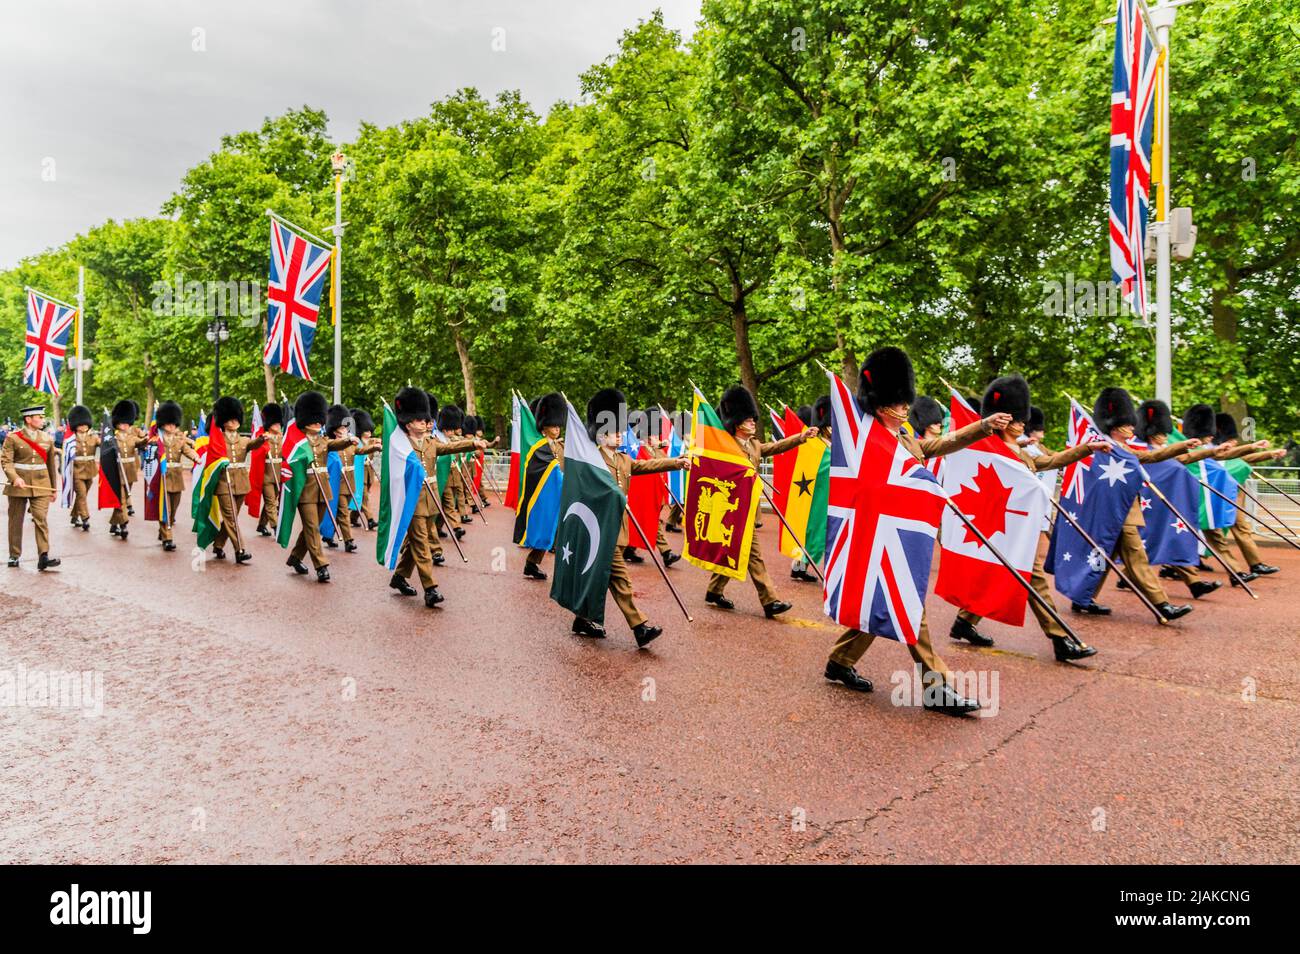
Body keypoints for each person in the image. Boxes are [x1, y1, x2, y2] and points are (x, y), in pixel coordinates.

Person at [823, 347, 1011, 715]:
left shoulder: (904, 436)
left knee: (884, 604)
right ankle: (936, 687)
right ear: (881, 404)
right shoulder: (868, 439)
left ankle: (840, 660)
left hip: (899, 532)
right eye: (898, 401)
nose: (905, 407)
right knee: (905, 604)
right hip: (875, 533)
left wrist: (982, 427)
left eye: (904, 400)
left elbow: (936, 446)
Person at [947, 375, 1109, 662]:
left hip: (1013, 526)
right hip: (999, 525)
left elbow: (1052, 461)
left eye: (1022, 420)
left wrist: (1087, 448)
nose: (1022, 424)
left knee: (999, 573)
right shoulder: (990, 450)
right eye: (1018, 420)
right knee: (1033, 578)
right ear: (1004, 422)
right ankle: (1061, 638)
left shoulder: (1021, 452)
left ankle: (964, 622)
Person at [571, 388, 688, 648]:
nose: (621, 434)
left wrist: (675, 463)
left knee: (599, 578)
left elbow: (644, 466)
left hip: (617, 528)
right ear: (602, 433)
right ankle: (639, 627)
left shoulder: (623, 459)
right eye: (616, 430)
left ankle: (581, 619)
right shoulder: (592, 458)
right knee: (621, 578)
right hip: (600, 530)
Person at [1078, 388, 1194, 621]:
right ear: (1115, 425)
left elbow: (1150, 457)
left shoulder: (1124, 448)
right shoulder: (1102, 446)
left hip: (1126, 512)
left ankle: (1082, 598)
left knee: (1107, 557)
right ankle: (1162, 605)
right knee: (1131, 558)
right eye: (1128, 424)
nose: (1133, 427)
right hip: (1113, 512)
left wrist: (1182, 445)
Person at [703, 384, 816, 619]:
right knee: (753, 556)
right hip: (731, 510)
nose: (754, 422)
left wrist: (800, 438)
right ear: (736, 421)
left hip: (748, 510)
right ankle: (769, 600)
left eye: (753, 418)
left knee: (733, 552)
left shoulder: (753, 444)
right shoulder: (724, 445)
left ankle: (714, 591)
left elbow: (773, 447)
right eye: (748, 419)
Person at [390, 388, 484, 606]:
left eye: (425, 419)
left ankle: (399, 577)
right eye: (419, 419)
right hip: (412, 501)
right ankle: (430, 589)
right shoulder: (400, 444)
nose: (424, 422)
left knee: (416, 545)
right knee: (422, 544)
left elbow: (450, 447)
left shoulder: (431, 442)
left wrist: (473, 443)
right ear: (407, 421)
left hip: (431, 500)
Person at [286, 391, 356, 583]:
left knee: (312, 526)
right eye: (313, 419)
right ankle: (321, 565)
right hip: (306, 491)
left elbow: (335, 444)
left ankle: (295, 558)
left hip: (323, 489)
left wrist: (349, 440)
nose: (317, 423)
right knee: (311, 527)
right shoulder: (297, 443)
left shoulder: (324, 440)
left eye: (319, 420)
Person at [1214, 411, 1285, 576]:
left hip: (1230, 497)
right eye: (1232, 440)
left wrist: (1270, 453)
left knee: (1240, 528)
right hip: (1212, 497)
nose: (1235, 442)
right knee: (1205, 530)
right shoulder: (1212, 451)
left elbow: (1247, 458)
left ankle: (1255, 564)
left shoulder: (1230, 453)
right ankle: (1180, 565)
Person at [208, 396, 265, 564]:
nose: (233, 422)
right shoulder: (217, 439)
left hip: (241, 483)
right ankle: (240, 550)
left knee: (231, 518)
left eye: (235, 419)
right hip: (223, 483)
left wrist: (262, 439)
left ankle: (218, 544)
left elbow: (254, 444)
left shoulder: (244, 440)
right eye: (230, 419)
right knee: (231, 517)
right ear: (223, 421)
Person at [3, 404, 60, 570]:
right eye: (39, 417)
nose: (42, 419)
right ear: (28, 419)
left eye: (42, 417)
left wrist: (53, 489)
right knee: (16, 521)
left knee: (40, 518)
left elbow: (51, 466)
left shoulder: (47, 439)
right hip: (18, 486)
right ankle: (14, 554)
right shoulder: (13, 438)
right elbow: (6, 461)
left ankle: (44, 556)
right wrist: (14, 478)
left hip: (42, 485)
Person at [790, 395, 834, 583]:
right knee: (815, 532)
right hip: (818, 495)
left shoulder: (832, 445)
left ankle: (800, 567)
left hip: (830, 495)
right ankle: (800, 566)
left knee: (824, 534)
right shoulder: (816, 445)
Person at [522, 392, 565, 581]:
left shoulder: (561, 446)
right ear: (544, 427)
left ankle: (533, 563)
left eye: (558, 425)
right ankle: (532, 563)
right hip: (546, 493)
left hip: (562, 490)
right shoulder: (539, 447)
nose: (557, 429)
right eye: (553, 425)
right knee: (547, 528)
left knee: (558, 528)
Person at [155, 400, 201, 551]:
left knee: (174, 507)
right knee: (166, 508)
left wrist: (196, 457)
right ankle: (168, 538)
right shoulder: (157, 440)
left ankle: (163, 529)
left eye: (174, 424)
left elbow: (188, 450)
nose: (171, 427)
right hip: (162, 477)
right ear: (162, 424)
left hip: (176, 477)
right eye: (168, 424)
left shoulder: (179, 440)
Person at [108, 399, 145, 536]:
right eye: (121, 423)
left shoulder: (132, 435)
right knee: (121, 498)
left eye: (126, 422)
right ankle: (123, 524)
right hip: (117, 471)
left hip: (129, 470)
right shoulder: (112, 437)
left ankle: (113, 523)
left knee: (124, 496)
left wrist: (148, 440)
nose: (124, 425)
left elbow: (140, 442)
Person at [65, 404, 98, 531]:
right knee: (82, 494)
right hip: (77, 471)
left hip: (90, 471)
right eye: (80, 424)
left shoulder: (93, 437)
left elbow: (105, 445)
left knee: (81, 496)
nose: (83, 427)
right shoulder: (71, 439)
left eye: (85, 424)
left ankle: (74, 516)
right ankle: (85, 518)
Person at [256, 402, 284, 537]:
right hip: (266, 476)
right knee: (271, 502)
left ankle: (262, 525)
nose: (278, 426)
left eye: (279, 424)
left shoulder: (281, 438)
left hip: (278, 475)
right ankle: (275, 527)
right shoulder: (263, 438)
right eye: (275, 424)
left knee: (272, 502)